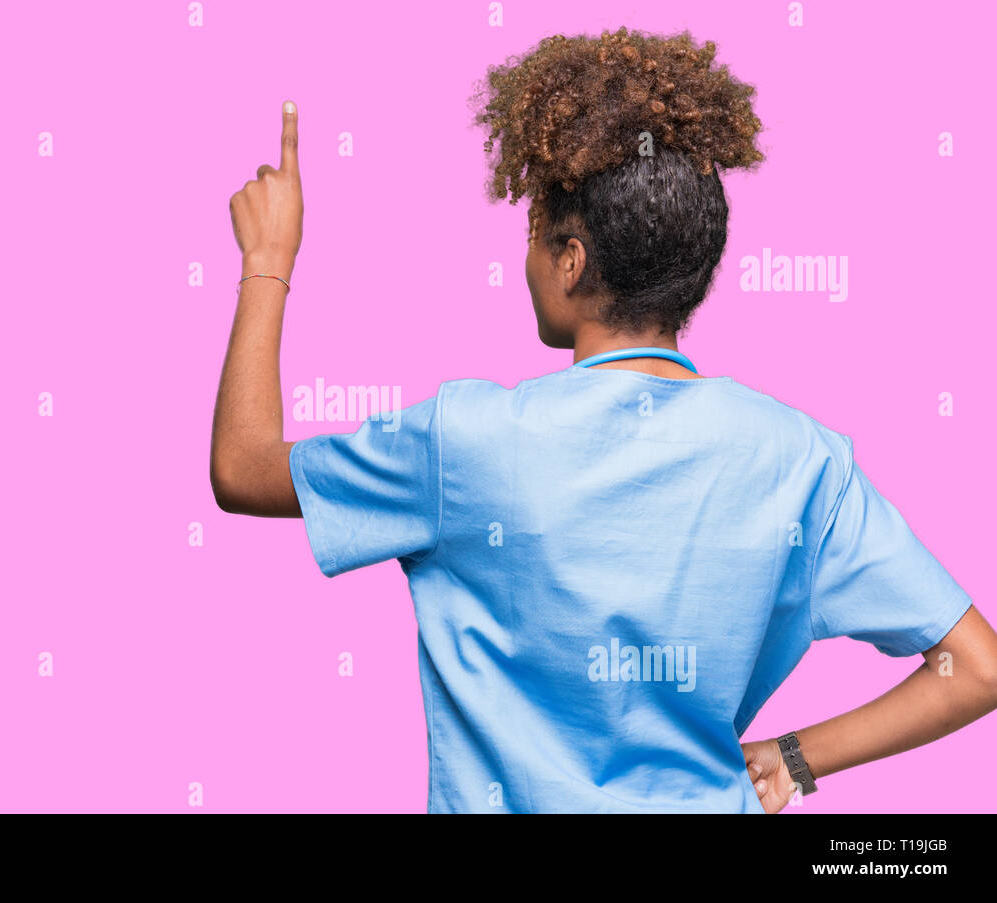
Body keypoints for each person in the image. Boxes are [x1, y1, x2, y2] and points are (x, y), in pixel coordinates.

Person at [211, 28, 997, 813]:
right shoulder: (800, 458)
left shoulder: (465, 443)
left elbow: (241, 467)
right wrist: (794, 756)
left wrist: (267, 259)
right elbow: (978, 668)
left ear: (572, 260)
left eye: (534, 231)